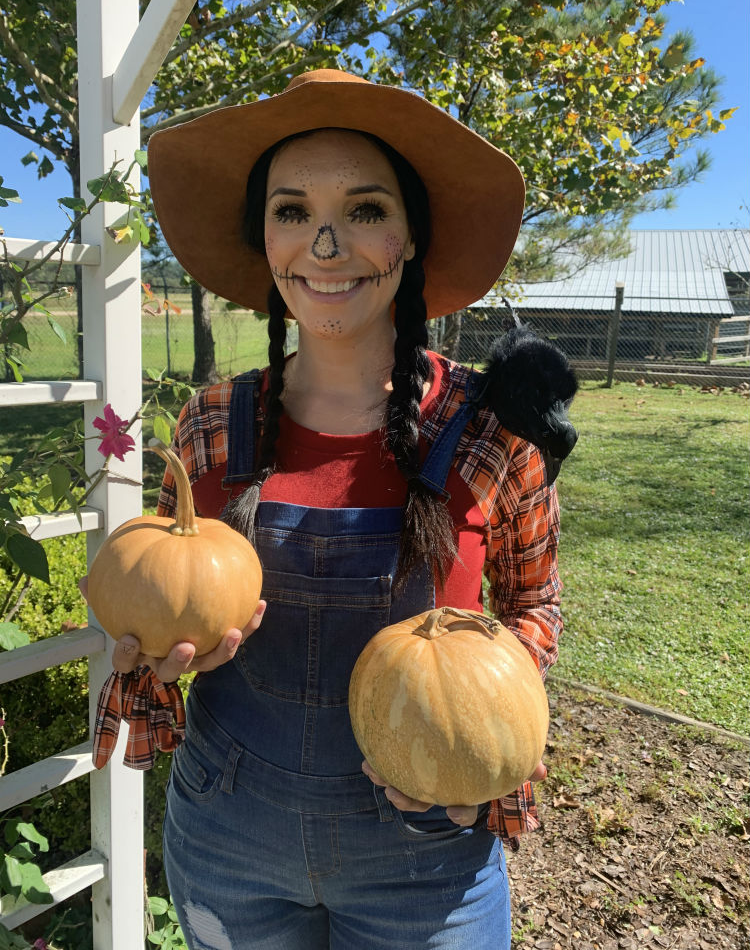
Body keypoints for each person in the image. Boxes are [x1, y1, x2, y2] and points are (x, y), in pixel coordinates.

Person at [90, 68, 568, 950]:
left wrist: (492, 727)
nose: (324, 242)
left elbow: (534, 607)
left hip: (428, 862)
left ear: (411, 237)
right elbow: (164, 599)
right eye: (291, 211)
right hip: (230, 840)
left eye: (365, 209)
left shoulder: (493, 429)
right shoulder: (210, 427)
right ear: (265, 242)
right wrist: (154, 658)